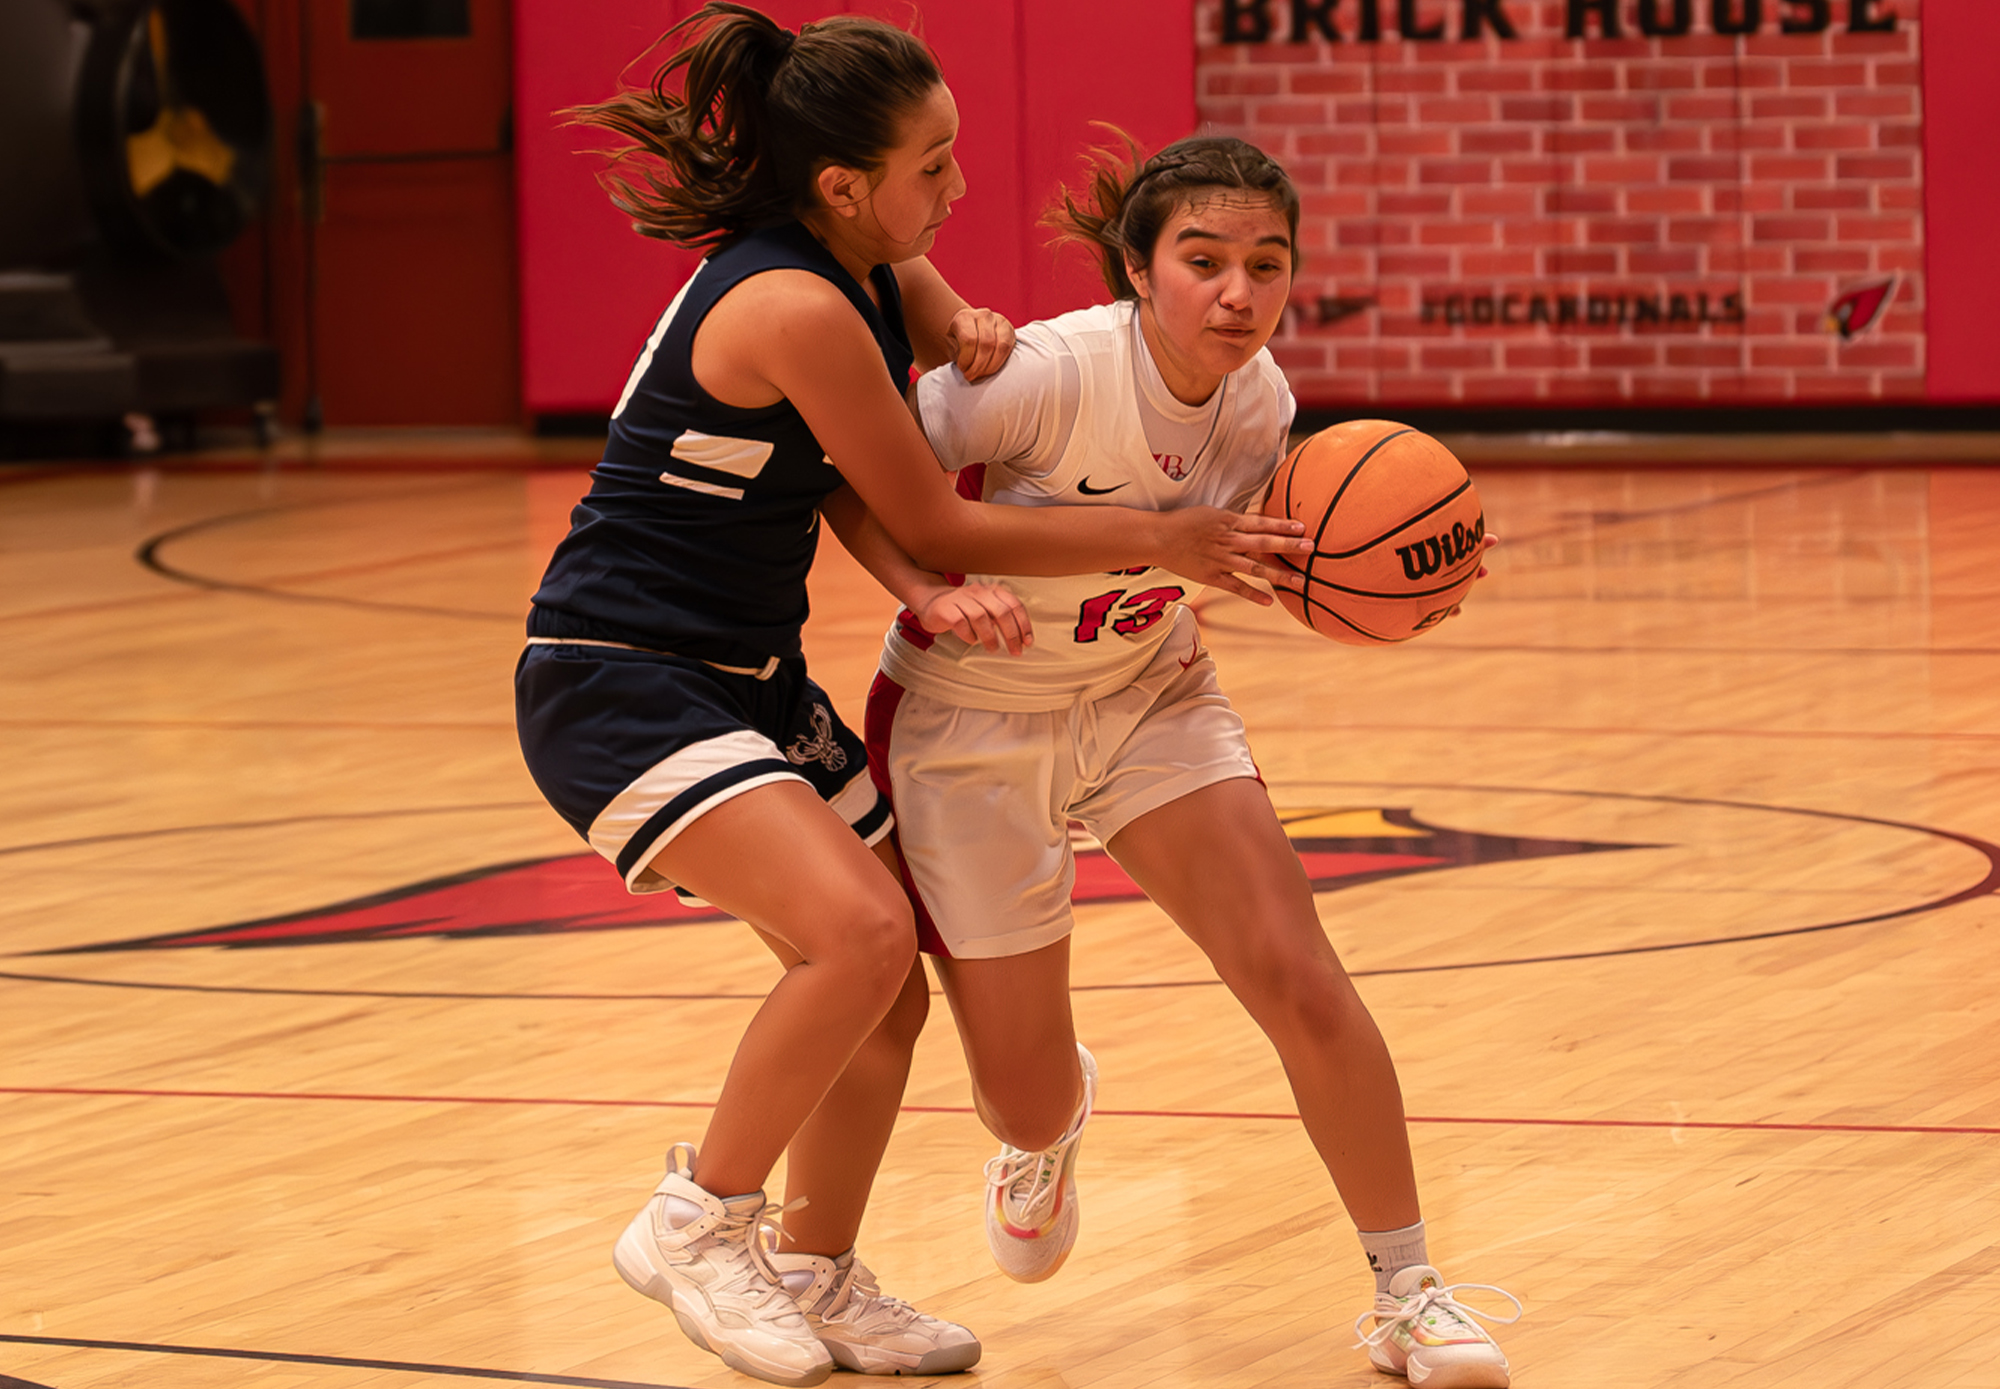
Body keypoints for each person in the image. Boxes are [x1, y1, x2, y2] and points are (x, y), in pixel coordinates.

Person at [513, 9, 1312, 1387]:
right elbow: (934, 516)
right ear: (842, 186)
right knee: (864, 933)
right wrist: (1153, 540)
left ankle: (813, 1269)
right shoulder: (797, 306)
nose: (957, 189)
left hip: (751, 674)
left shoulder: (865, 257)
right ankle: (696, 1219)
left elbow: (879, 437)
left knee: (885, 991)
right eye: (932, 168)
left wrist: (960, 331)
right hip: (620, 673)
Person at [852, 134, 1522, 1388]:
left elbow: (1264, 550)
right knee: (1021, 1094)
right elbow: (854, 474)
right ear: (1136, 267)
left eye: (1265, 265)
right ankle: (1045, 1125)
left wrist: (1411, 572)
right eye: (1202, 261)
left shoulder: (1261, 401)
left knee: (1297, 974)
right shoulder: (1038, 376)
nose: (1236, 293)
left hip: (1145, 691)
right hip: (971, 722)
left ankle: (1408, 1294)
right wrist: (922, 588)